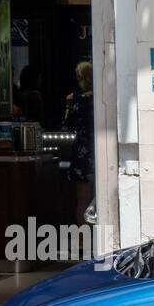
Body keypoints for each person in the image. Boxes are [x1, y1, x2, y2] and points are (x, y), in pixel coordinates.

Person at [64, 62, 94, 225]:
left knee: (83, 198)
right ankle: (99, 234)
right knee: (100, 194)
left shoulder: (77, 100)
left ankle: (83, 236)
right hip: (99, 146)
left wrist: (68, 105)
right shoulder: (101, 98)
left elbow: (68, 124)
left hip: (82, 149)